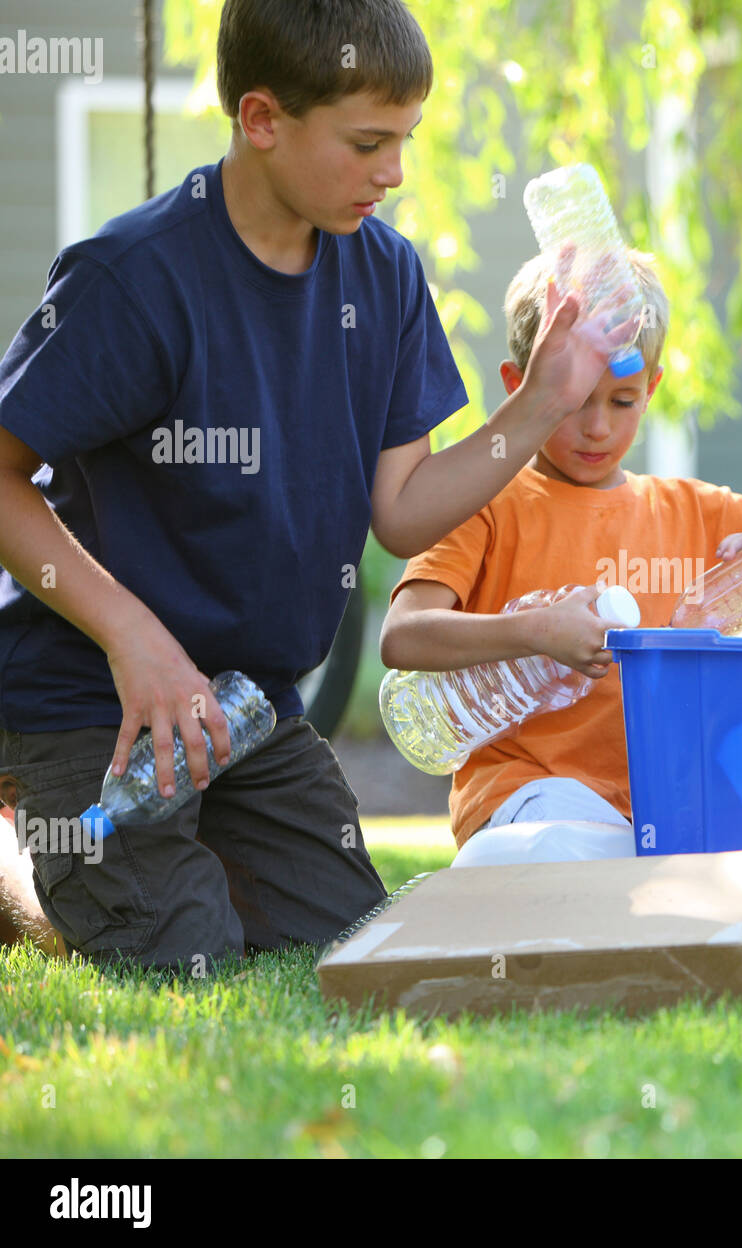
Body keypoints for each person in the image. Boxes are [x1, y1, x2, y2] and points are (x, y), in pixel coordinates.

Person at [0, 0, 619, 967]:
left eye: (407, 139)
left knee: (351, 948)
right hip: (93, 698)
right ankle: (26, 868)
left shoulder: (387, 277)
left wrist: (540, 403)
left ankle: (153, 854)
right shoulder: (134, 277)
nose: (396, 172)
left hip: (249, 711)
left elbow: (403, 513)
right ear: (261, 120)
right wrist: (135, 640)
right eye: (369, 141)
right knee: (182, 952)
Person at [381, 249, 742, 865]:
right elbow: (402, 639)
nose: (597, 428)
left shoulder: (695, 511)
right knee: (546, 851)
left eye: (621, 401)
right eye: (575, 402)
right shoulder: (482, 501)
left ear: (651, 389)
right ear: (522, 387)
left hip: (659, 805)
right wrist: (536, 632)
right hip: (528, 798)